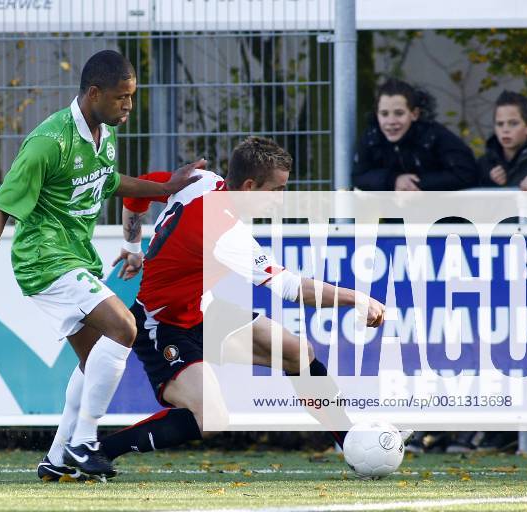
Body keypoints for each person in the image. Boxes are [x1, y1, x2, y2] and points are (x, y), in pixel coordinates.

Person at [36, 136, 388, 481]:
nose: (280, 201)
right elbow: (292, 289)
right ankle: (94, 449)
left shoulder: (203, 181)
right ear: (249, 187)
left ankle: (350, 441)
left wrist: (132, 246)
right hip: (164, 324)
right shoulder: (224, 230)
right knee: (212, 418)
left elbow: (139, 191)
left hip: (202, 312)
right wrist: (358, 298)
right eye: (276, 191)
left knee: (297, 352)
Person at [0, 50, 202, 481]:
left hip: (75, 258)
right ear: (94, 92)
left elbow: (110, 181)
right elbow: (1, 207)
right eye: (122, 97)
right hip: (44, 258)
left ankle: (59, 456)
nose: (128, 106)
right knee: (123, 326)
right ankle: (84, 443)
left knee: (93, 360)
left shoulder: (104, 135)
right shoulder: (49, 142)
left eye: (132, 97)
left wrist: (165, 188)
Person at [352, 78, 479, 191]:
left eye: (399, 113)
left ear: (414, 114)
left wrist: (415, 184)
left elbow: (467, 172)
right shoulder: (372, 138)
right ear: (377, 114)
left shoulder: (434, 135)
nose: (391, 122)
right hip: (396, 214)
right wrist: (393, 180)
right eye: (384, 114)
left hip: (441, 212)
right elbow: (359, 176)